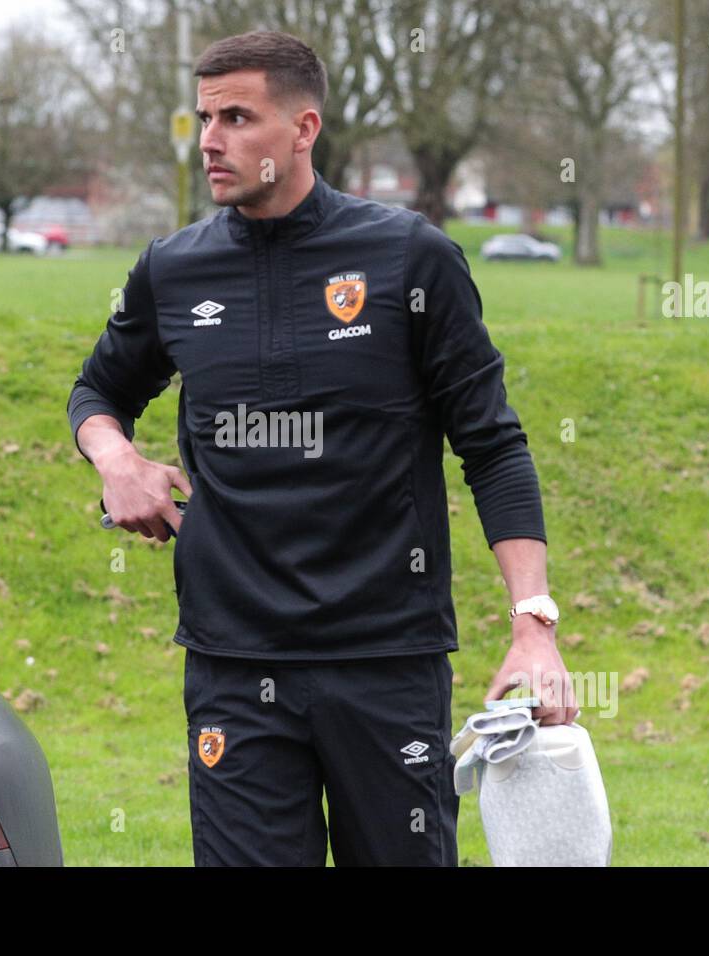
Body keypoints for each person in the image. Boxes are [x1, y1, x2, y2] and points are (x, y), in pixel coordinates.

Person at [67, 30, 575, 866]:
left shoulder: (410, 257)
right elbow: (99, 394)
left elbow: (491, 444)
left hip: (386, 659)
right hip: (234, 664)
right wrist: (116, 459)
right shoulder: (173, 270)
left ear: (304, 129)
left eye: (238, 117)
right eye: (202, 118)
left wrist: (534, 624)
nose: (210, 141)